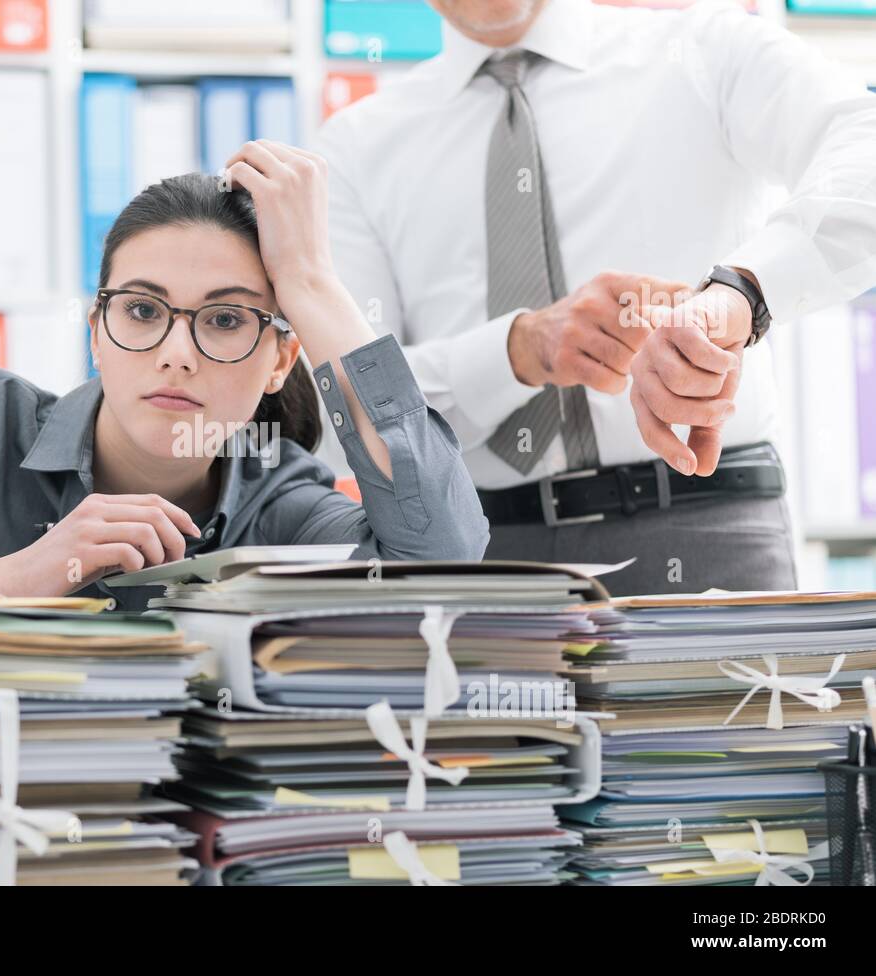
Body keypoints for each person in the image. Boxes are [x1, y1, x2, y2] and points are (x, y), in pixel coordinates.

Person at [0, 143, 489, 645]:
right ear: (96, 330)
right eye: (143, 311)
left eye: (224, 320)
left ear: (281, 358)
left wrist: (316, 283)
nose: (175, 354)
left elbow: (447, 575)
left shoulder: (282, 504)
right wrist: (13, 577)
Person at [314, 0, 876, 594]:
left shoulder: (711, 49)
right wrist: (516, 351)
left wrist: (744, 292)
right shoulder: (354, 147)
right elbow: (337, 410)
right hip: (482, 556)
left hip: (707, 525)